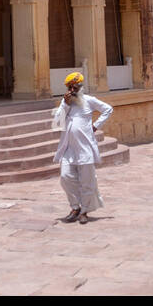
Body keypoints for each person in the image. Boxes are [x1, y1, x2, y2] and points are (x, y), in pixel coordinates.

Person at [52, 72, 113, 224]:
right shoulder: (65, 102)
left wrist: (96, 126)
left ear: (81, 87)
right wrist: (65, 104)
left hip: (84, 149)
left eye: (76, 87)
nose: (73, 90)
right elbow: (57, 121)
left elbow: (108, 109)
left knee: (87, 181)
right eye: (71, 87)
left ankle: (84, 210)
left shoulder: (89, 100)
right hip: (68, 148)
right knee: (65, 178)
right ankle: (75, 206)